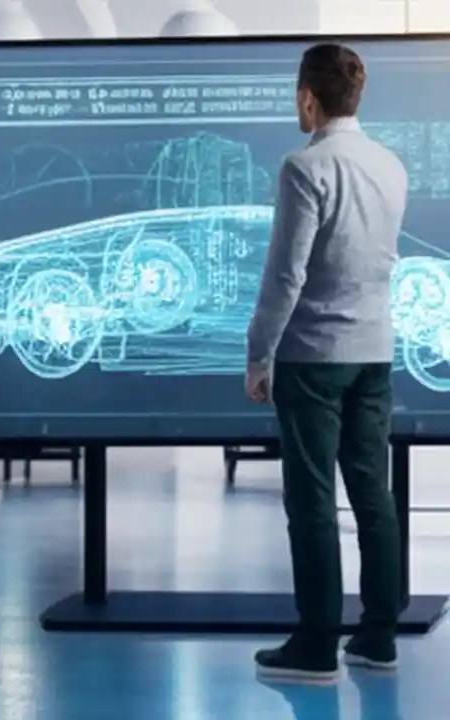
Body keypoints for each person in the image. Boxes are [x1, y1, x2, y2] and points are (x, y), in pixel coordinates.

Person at [246, 42, 407, 682]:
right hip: (375, 353)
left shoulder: (302, 166)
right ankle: (378, 639)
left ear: (308, 99)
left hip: (313, 358)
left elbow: (286, 276)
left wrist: (259, 354)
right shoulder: (391, 165)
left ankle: (315, 646)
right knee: (375, 498)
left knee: (312, 502)